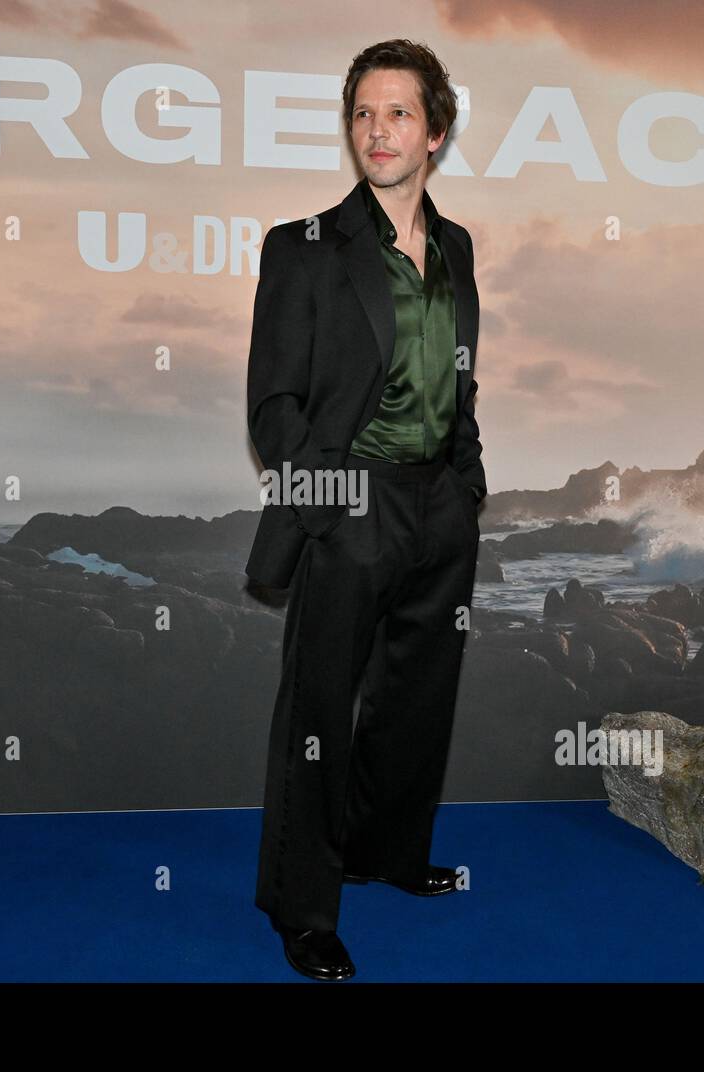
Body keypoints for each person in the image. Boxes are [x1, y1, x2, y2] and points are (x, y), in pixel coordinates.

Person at [245, 38, 486, 981]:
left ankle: (388, 854)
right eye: (362, 113)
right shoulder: (302, 248)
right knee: (317, 711)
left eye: (398, 114)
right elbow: (275, 406)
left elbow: (459, 382)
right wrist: (333, 503)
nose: (377, 131)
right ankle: (302, 908)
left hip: (439, 504)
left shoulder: (458, 247)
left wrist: (466, 487)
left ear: (434, 133)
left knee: (416, 698)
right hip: (351, 503)